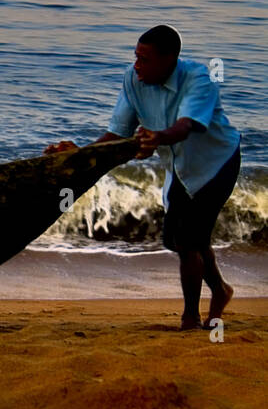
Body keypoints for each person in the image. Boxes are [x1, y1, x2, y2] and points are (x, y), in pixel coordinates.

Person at [45, 25, 241, 330]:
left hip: (216, 163)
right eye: (136, 57)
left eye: (145, 59)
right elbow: (117, 135)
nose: (137, 65)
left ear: (170, 60)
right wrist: (79, 154)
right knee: (181, 240)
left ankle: (190, 318)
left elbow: (187, 126)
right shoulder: (133, 80)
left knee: (190, 242)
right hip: (180, 168)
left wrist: (158, 137)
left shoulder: (198, 78)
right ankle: (220, 290)